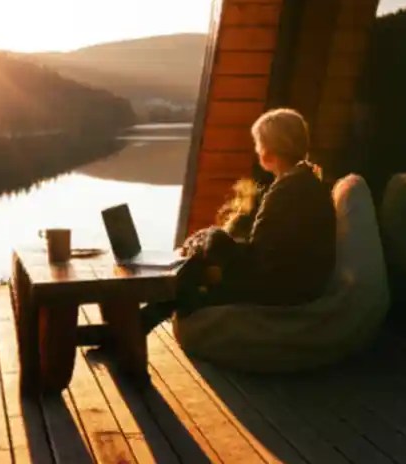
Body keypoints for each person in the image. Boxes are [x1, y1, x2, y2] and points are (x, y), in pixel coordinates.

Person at [138, 107, 336, 333]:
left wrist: (214, 239)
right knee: (195, 266)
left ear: (268, 151)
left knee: (190, 278)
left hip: (282, 291)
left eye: (258, 143)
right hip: (294, 282)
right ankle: (134, 327)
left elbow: (258, 258)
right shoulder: (305, 182)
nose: (257, 149)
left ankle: (132, 329)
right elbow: (268, 249)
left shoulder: (287, 191)